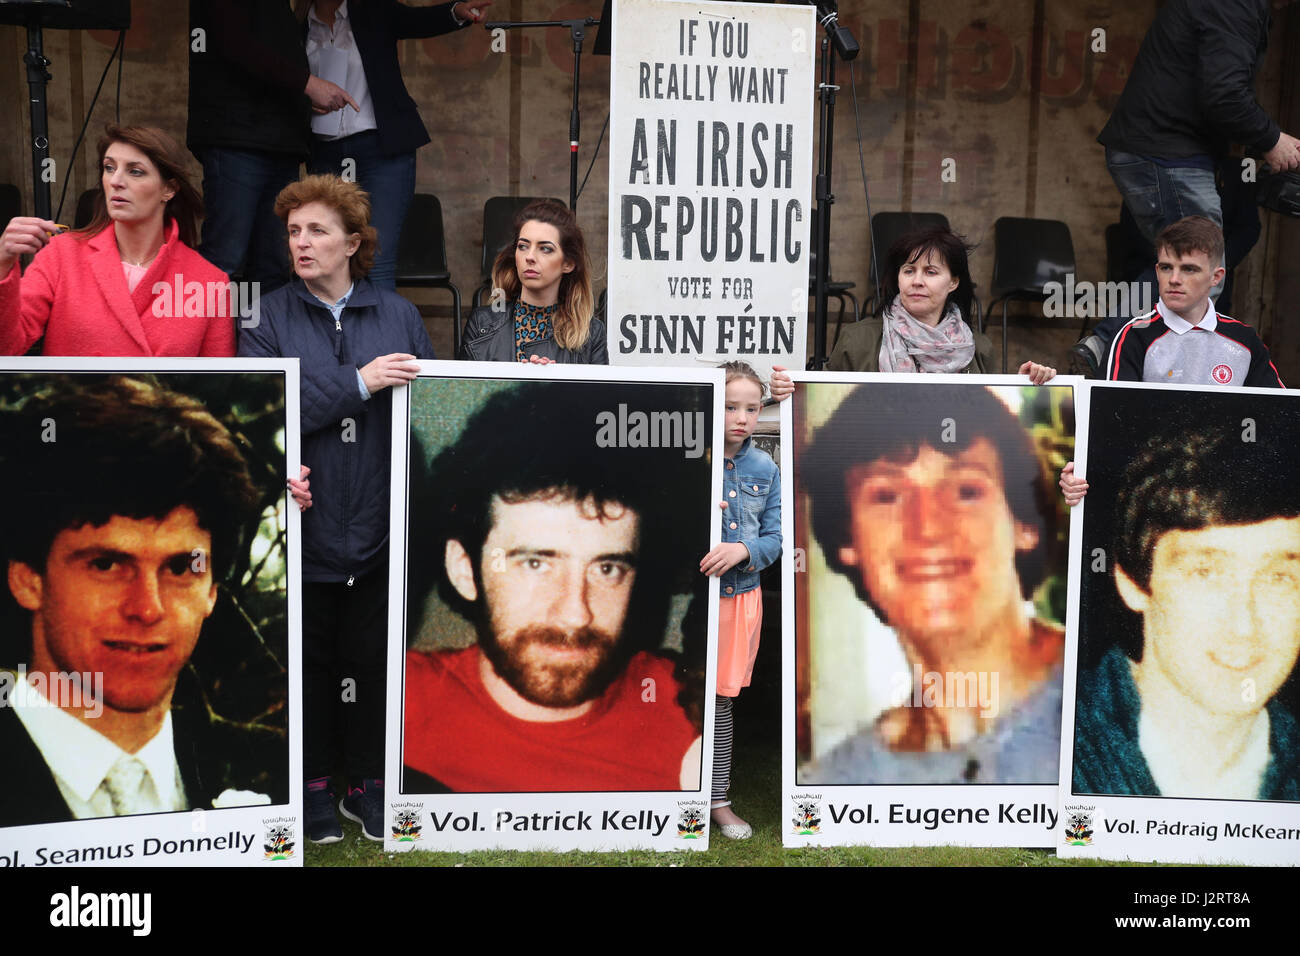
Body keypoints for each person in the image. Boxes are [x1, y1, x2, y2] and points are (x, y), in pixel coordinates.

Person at [238, 173, 435, 844]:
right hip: (305, 528)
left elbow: (428, 413)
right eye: (293, 231)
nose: (301, 242)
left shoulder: (400, 315)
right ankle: (316, 786)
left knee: (373, 664)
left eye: (317, 230)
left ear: (354, 242)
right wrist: (360, 382)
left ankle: (370, 785)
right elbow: (271, 412)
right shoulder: (264, 316)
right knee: (313, 667)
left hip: (380, 529)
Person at [0, 375, 280, 827]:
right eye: (107, 565)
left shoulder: (274, 774)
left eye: (178, 569)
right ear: (28, 579)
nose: (148, 608)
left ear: (212, 590)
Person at [403, 381, 707, 793]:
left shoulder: (686, 714)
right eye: (536, 563)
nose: (575, 612)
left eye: (607, 569)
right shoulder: (402, 705)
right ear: (465, 569)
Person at [800, 383, 1065, 784]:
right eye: (887, 496)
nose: (927, 527)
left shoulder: (1118, 696)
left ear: (1024, 523)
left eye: (965, 491)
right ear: (848, 541)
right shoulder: (840, 783)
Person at [1073, 419, 1300, 800]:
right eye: (1205, 573)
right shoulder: (1047, 739)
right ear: (1133, 583)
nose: (1244, 626)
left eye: (1279, 578)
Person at [1070, 0, 1300, 376]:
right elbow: (1224, 96)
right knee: (1198, 261)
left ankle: (1123, 349)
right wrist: (1272, 138)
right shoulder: (1235, 5)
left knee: (1186, 263)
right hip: (1166, 150)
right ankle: (1114, 343)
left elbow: (1215, 93)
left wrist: (1263, 145)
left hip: (1163, 147)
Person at [1059, 217, 1282, 507]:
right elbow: (1107, 427)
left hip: (1228, 494)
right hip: (1148, 493)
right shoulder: (1131, 336)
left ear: (1216, 277)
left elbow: (1279, 420)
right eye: (1166, 267)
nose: (1174, 279)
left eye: (1189, 269)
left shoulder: (1245, 340)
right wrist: (1078, 471)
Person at [298, 0, 491, 288]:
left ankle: (378, 334)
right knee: (330, 260)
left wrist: (455, 12)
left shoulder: (372, 10)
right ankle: (335, 334)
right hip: (325, 153)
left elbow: (415, 20)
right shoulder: (296, 25)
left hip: (381, 150)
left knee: (376, 259)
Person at [0, 125, 233, 357]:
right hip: (74, 395)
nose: (116, 181)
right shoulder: (61, 256)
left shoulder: (209, 282)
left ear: (169, 189)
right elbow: (6, 349)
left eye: (135, 171)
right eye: (109, 168)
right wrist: (2, 265)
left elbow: (219, 388)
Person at [189, 0, 357, 290]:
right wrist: (309, 85)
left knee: (273, 266)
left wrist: (300, 98)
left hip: (280, 143)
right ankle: (198, 337)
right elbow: (235, 44)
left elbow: (267, 57)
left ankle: (259, 337)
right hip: (236, 138)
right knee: (223, 260)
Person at [701, 362, 781, 839]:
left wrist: (744, 550)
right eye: (730, 406)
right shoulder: (685, 453)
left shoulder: (765, 466)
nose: (742, 418)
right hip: (687, 600)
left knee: (721, 701)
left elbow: (776, 537)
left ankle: (717, 800)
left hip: (738, 599)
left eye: (752, 408)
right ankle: (667, 789)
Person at [820, 225, 1055, 382]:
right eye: (909, 270)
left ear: (953, 282)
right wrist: (783, 389)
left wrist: (1026, 384)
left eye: (931, 272)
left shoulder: (979, 348)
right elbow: (821, 408)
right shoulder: (857, 341)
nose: (917, 281)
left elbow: (990, 421)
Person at [459, 199, 607, 363]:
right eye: (523, 246)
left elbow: (600, 390)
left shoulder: (591, 333)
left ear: (568, 263)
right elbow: (462, 388)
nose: (529, 257)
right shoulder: (481, 323)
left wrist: (550, 385)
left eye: (545, 249)